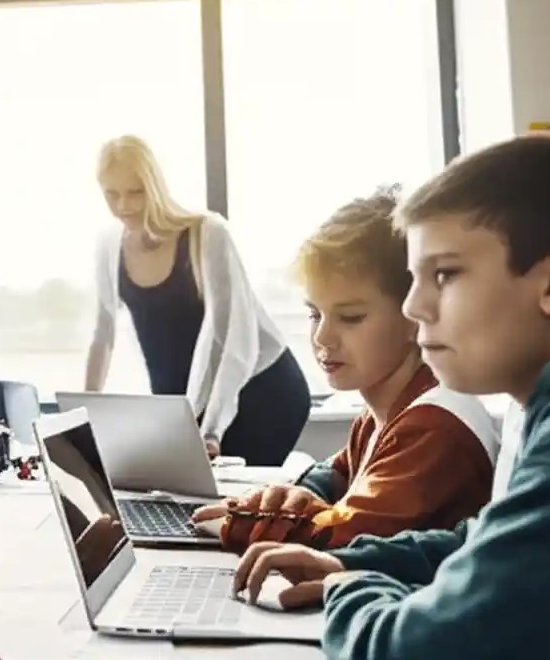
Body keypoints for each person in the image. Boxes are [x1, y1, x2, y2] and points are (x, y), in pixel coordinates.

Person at [233, 135, 550, 658]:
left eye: (445, 274)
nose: (414, 307)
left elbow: (416, 651)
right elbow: (483, 539)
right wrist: (353, 563)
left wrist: (348, 590)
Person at [193, 186, 500, 551]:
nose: (323, 337)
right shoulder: (386, 409)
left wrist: (230, 522)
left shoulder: (432, 426)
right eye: (314, 314)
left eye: (350, 318)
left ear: (415, 314)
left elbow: (338, 535)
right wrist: (296, 494)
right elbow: (338, 475)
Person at [86, 135, 311, 466]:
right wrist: (84, 417)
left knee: (232, 507)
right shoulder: (109, 246)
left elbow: (228, 333)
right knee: (184, 506)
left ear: (156, 185)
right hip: (187, 406)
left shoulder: (207, 233)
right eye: (112, 194)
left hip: (259, 391)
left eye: (136, 192)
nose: (124, 205)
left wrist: (211, 429)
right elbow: (103, 335)